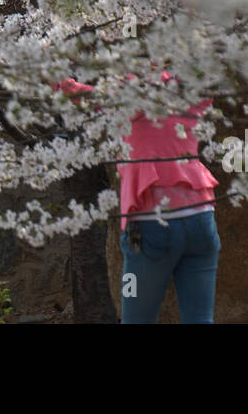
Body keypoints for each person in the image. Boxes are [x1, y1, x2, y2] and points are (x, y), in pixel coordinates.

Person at [56, 69, 220, 324]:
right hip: (202, 221)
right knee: (200, 319)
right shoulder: (193, 87)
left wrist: (51, 77)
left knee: (134, 319)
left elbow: (79, 95)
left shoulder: (128, 93)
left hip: (151, 227)